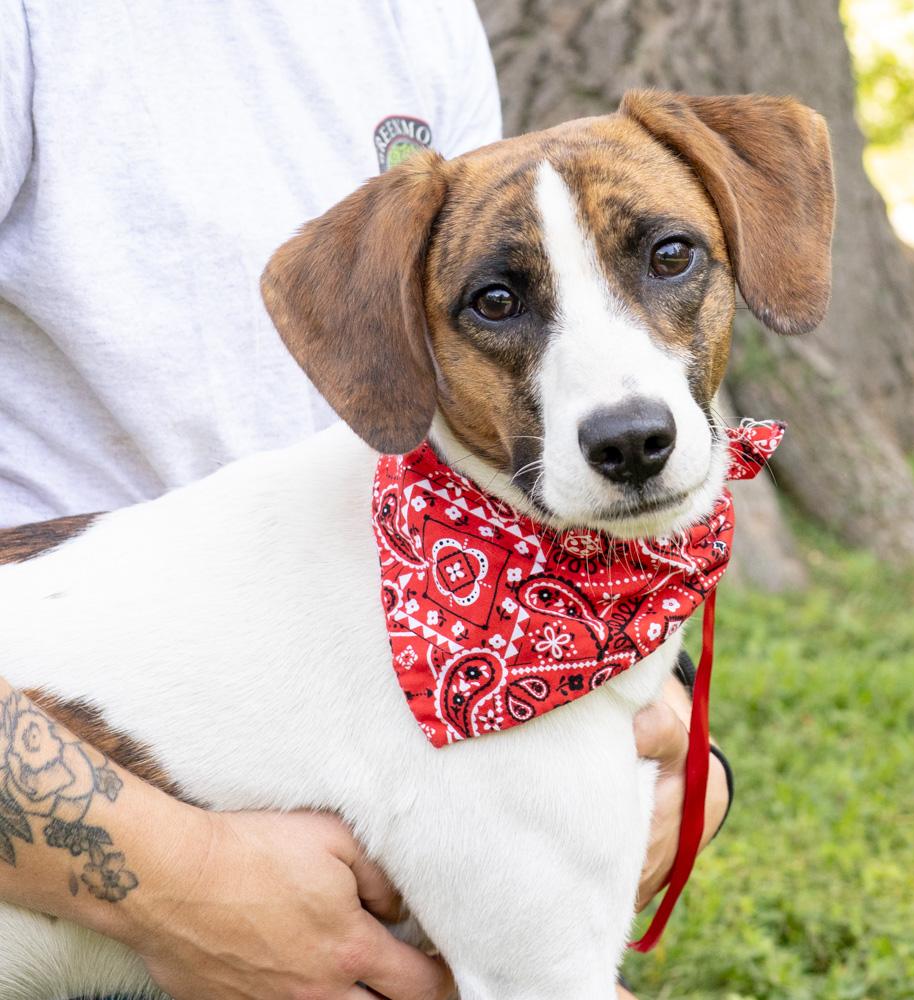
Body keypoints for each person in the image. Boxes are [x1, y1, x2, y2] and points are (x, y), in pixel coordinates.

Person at [0, 2, 732, 996]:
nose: (622, 406)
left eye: (669, 259)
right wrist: (184, 883)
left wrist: (680, 742)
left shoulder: (418, 17)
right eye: (501, 304)